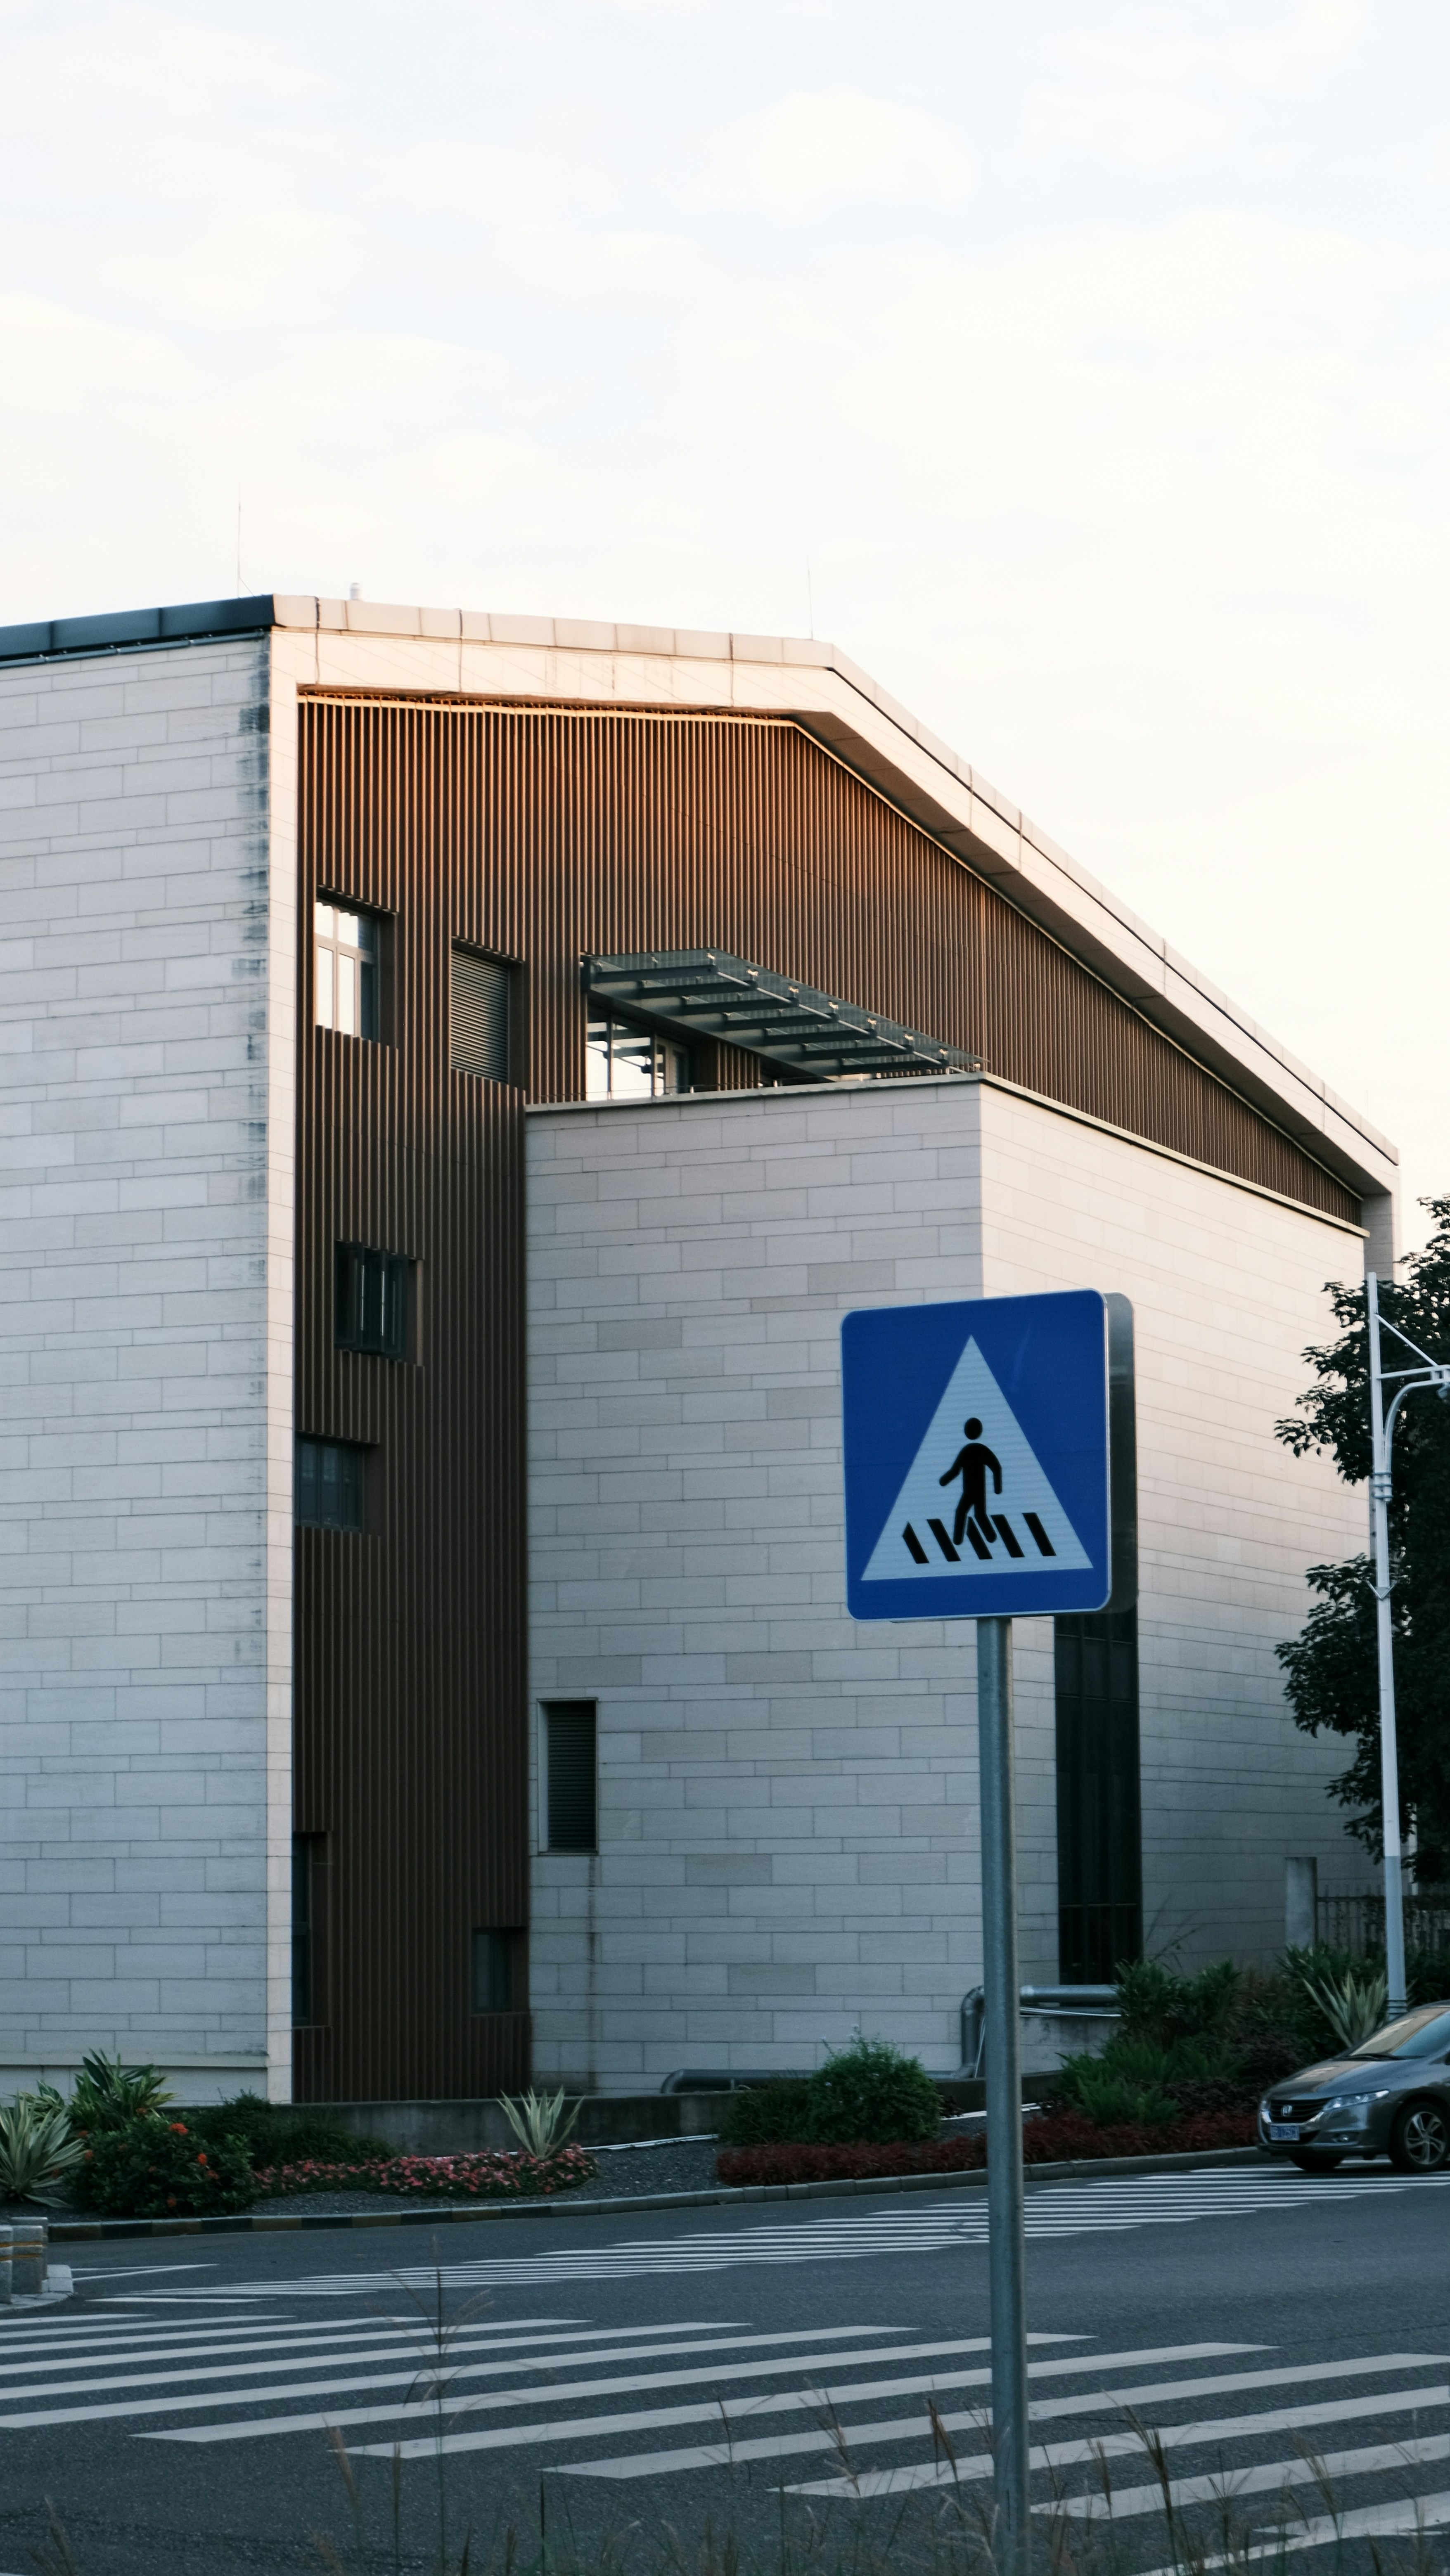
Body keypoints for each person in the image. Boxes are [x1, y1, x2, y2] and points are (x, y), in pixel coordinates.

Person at [939, 1417, 1002, 1548]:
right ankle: (989, 1538)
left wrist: (944, 1481)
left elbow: (955, 1471)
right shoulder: (977, 1450)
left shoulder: (969, 1451)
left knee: (965, 1513)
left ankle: (960, 1540)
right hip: (975, 1491)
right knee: (977, 1514)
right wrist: (944, 1481)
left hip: (972, 1491)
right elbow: (996, 1467)